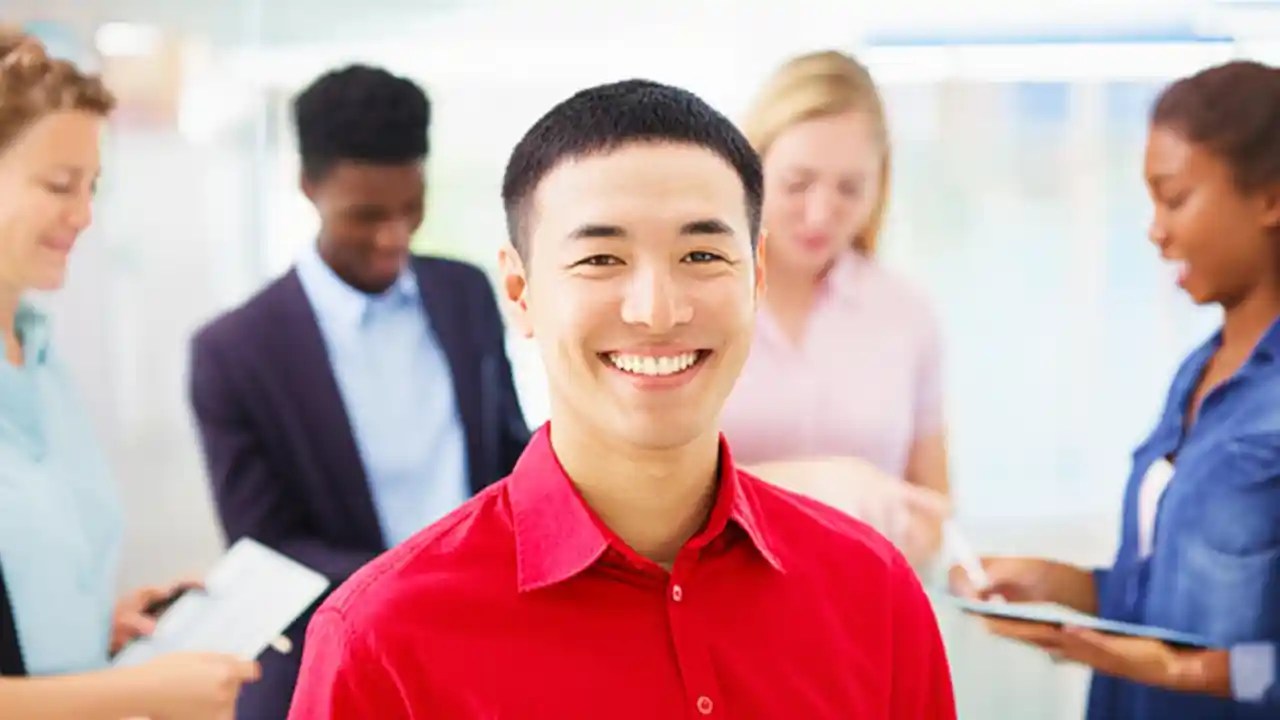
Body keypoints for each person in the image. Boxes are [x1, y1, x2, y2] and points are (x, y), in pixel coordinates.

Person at [286, 78, 956, 719]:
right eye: (601, 260)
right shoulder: (380, 640)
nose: (658, 311)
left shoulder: (876, 595)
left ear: (754, 276)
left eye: (700, 256)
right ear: (520, 293)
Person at [187, 64, 530, 718]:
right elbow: (265, 545)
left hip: (481, 648)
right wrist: (425, 583)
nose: (394, 237)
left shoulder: (465, 294)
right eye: (366, 215)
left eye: (411, 208)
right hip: (333, 664)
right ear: (308, 187)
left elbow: (508, 453)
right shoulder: (234, 351)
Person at [952, 61, 1280, 719]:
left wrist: (1181, 671)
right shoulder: (1196, 372)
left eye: (1175, 197)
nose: (1155, 230)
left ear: (1271, 196)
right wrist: (1061, 588)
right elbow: (1159, 600)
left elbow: (1239, 662)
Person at [0, 27, 259, 720]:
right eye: (60, 185)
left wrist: (97, 630)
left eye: (93, 186)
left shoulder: (41, 362)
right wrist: (140, 691)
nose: (84, 216)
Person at [720, 51, 950, 566]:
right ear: (750, 170)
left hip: (861, 614)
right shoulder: (696, 303)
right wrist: (816, 484)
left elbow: (936, 508)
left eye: (850, 188)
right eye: (797, 184)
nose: (821, 214)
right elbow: (640, 490)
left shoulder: (905, 314)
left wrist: (918, 540)